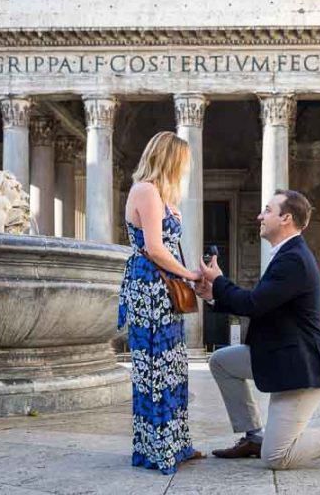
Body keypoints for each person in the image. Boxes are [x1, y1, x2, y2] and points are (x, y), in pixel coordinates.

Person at [196, 189, 320, 470]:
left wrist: (219, 281)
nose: (260, 215)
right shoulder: (286, 254)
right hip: (278, 356)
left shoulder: (294, 259)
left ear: (286, 218)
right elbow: (261, 305)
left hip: (301, 367)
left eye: (267, 210)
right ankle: (254, 436)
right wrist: (213, 294)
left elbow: (255, 304)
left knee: (277, 457)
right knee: (222, 362)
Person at [118, 131, 203, 474]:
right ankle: (157, 451)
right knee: (155, 369)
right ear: (170, 159)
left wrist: (185, 273)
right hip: (151, 287)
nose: (185, 169)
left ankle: (177, 445)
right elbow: (154, 248)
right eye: (181, 162)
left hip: (163, 288)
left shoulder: (163, 196)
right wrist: (190, 275)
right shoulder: (146, 191)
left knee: (172, 367)